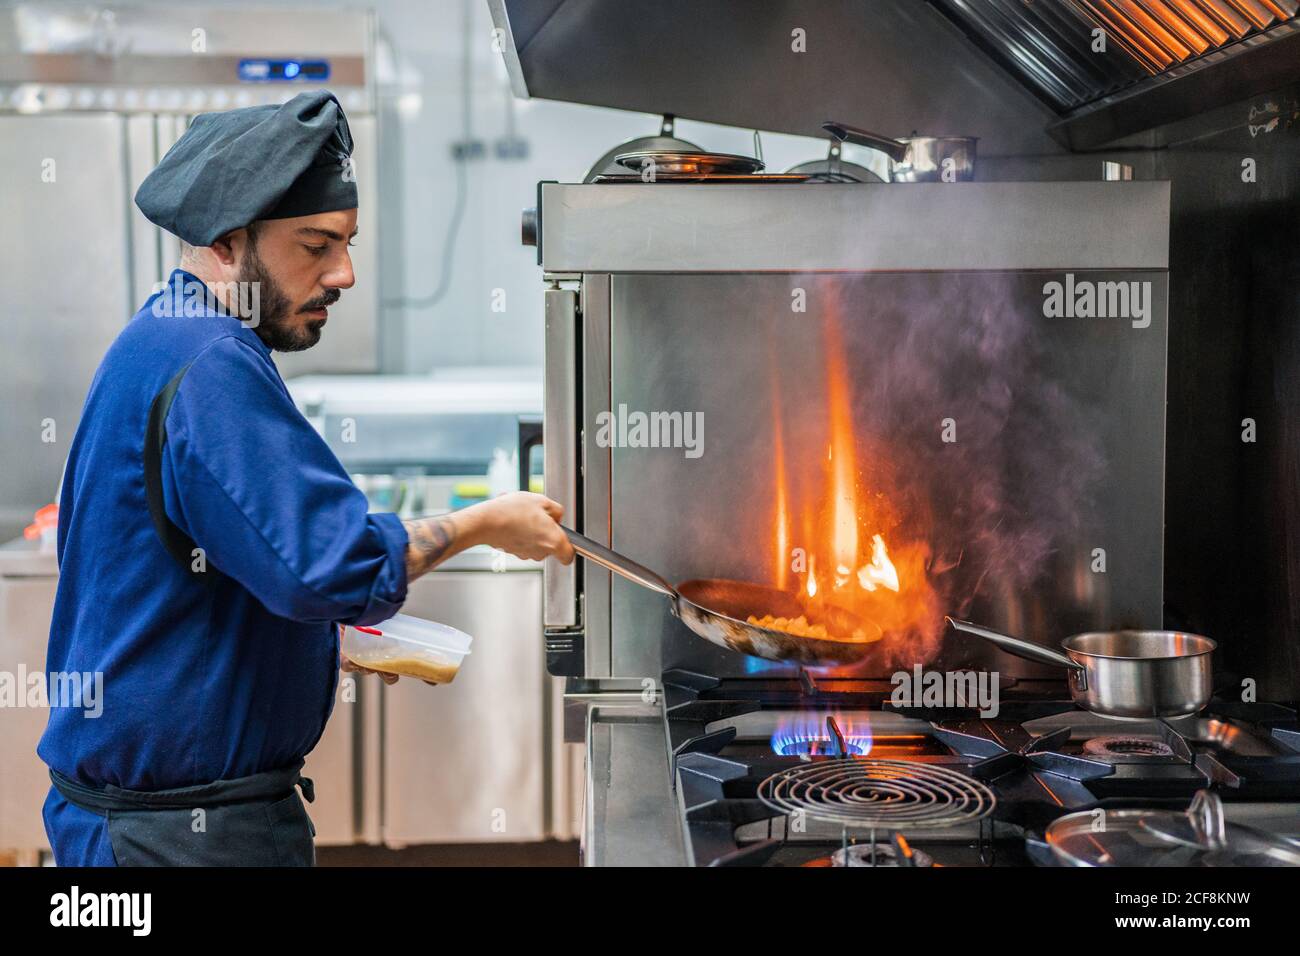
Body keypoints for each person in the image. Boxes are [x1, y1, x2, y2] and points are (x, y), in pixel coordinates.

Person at [37, 90, 573, 866]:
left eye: (348, 242)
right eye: (315, 246)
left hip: (138, 827)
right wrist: (490, 521)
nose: (345, 273)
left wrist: (316, 648)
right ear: (228, 241)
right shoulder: (212, 364)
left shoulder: (162, 333)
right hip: (177, 840)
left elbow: (203, 575)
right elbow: (332, 566)